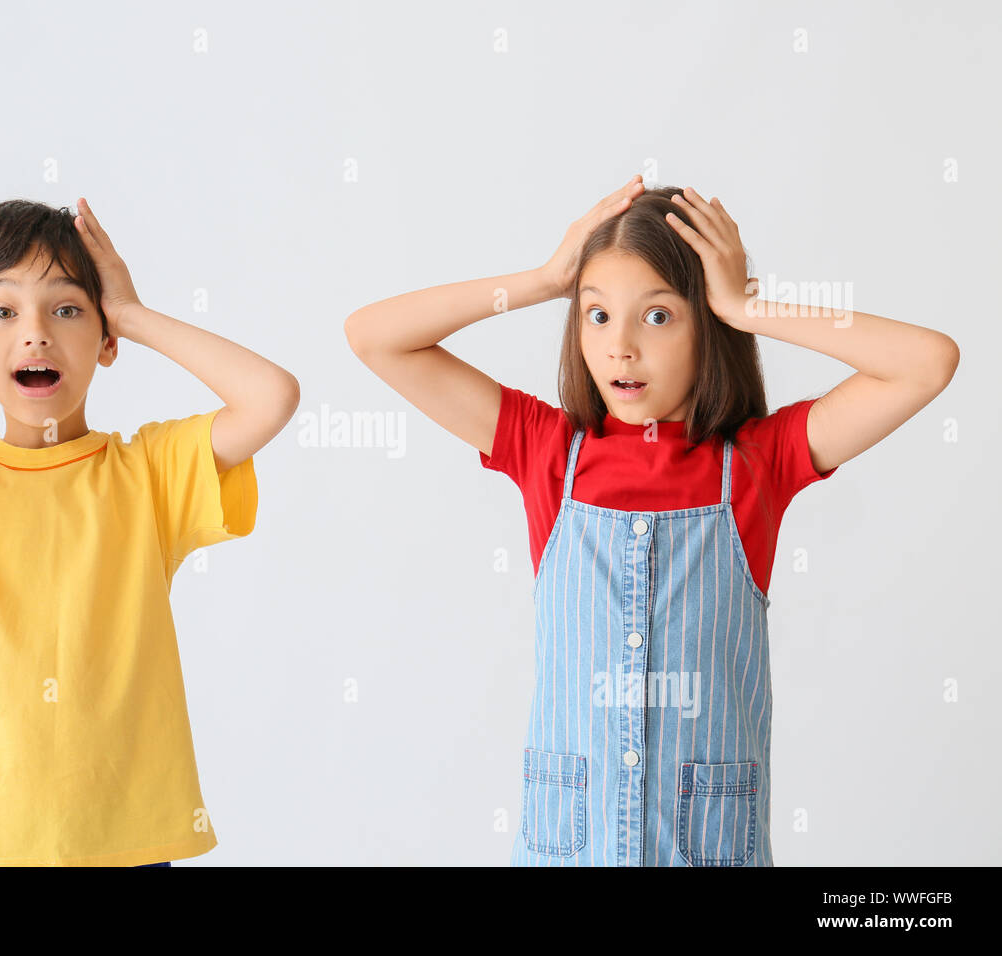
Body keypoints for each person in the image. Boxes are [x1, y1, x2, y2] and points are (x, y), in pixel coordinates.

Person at [344, 175, 958, 866]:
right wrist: (544, 280)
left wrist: (745, 306)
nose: (621, 346)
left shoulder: (760, 463)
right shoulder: (545, 452)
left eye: (659, 315)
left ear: (707, 326)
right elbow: (373, 337)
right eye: (597, 314)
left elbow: (927, 364)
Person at [0, 196, 299, 866]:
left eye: (67, 309)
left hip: (131, 841)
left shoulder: (149, 473)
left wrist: (134, 315)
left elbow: (272, 396)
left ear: (105, 341)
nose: (35, 334)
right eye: (2, 311)